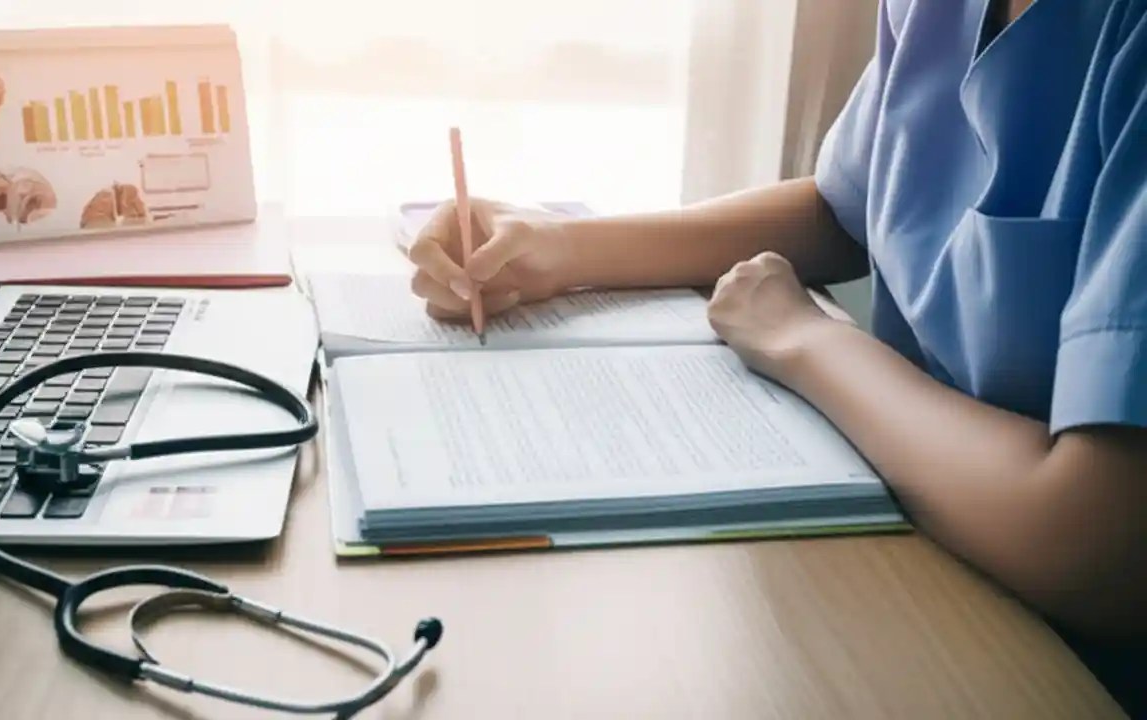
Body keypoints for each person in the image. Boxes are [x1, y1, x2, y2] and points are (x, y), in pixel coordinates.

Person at [404, 0, 1145, 710]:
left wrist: (811, 340)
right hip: (922, 554)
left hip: (1074, 662)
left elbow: (1090, 540)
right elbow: (846, 208)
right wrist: (564, 248)